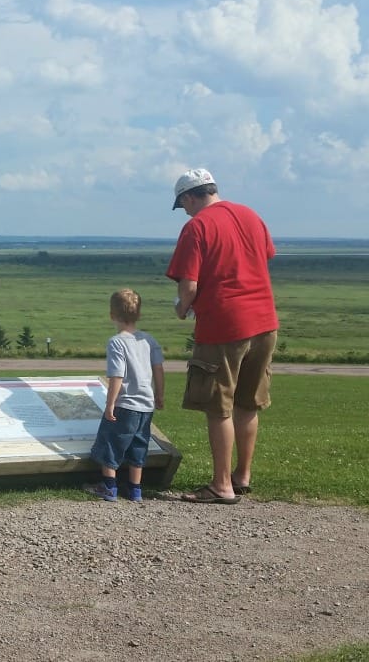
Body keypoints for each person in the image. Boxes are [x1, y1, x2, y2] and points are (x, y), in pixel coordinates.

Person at [166, 168, 279, 505]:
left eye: (182, 204)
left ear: (189, 197)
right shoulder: (250, 215)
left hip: (224, 326)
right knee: (248, 403)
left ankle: (221, 485)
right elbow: (265, 257)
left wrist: (182, 307)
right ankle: (241, 475)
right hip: (265, 321)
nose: (184, 211)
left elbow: (189, 284)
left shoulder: (197, 226)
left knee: (219, 407)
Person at [83, 289, 165, 502]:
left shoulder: (117, 342)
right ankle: (135, 489)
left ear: (112, 314)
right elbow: (158, 369)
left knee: (111, 444)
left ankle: (109, 487)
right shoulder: (149, 340)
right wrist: (160, 395)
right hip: (146, 406)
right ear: (139, 314)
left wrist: (110, 404)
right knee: (139, 446)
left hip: (125, 404)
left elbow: (117, 376)